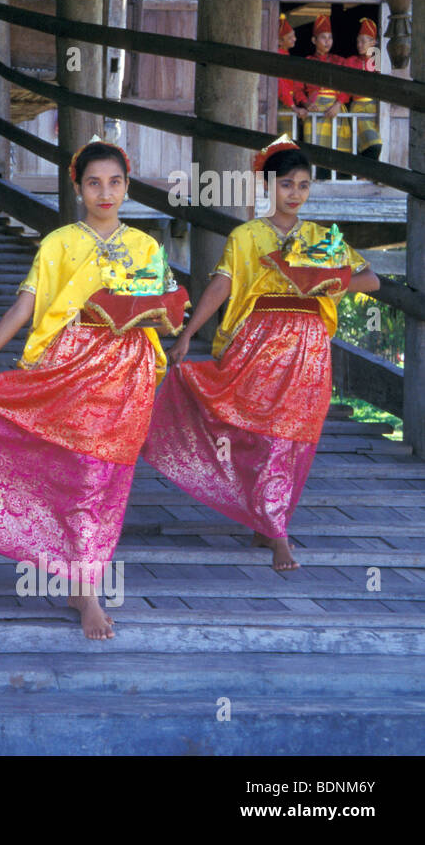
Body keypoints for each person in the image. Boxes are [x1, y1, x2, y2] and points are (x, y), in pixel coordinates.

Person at [0, 140, 185, 641]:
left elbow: (166, 312)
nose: (105, 192)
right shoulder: (59, 244)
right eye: (94, 182)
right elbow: (24, 308)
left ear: (127, 185)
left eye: (115, 182)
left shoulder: (146, 247)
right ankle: (87, 589)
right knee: (81, 473)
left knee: (107, 477)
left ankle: (81, 580)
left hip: (129, 374)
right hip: (71, 369)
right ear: (77, 188)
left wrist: (162, 311)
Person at [141, 137, 379, 571]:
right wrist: (186, 336)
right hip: (259, 344)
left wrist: (328, 281)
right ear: (269, 186)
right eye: (287, 184)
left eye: (304, 185)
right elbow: (221, 287)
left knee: (292, 438)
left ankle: (273, 525)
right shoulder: (247, 235)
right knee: (258, 434)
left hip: (309, 347)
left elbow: (371, 280)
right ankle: (269, 522)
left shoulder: (324, 239)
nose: (295, 193)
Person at [300, 14, 351, 161]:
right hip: (314, 109)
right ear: (314, 40)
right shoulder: (307, 62)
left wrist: (338, 104)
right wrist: (306, 102)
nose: (328, 41)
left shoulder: (339, 61)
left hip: (334, 109)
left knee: (335, 152)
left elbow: (348, 85)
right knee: (314, 151)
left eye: (330, 37)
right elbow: (297, 88)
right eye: (323, 37)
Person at [342, 17, 383, 161]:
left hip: (377, 108)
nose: (359, 44)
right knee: (373, 143)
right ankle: (364, 175)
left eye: (363, 41)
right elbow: (345, 88)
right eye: (358, 41)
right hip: (359, 108)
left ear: (374, 42)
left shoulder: (380, 62)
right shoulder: (351, 62)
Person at [277, 15, 307, 136]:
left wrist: (305, 102)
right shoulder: (278, 56)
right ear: (279, 41)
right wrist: (293, 107)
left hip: (289, 104)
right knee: (282, 144)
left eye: (294, 35)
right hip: (281, 104)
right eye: (290, 37)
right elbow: (280, 84)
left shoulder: (286, 55)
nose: (294, 39)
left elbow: (295, 86)